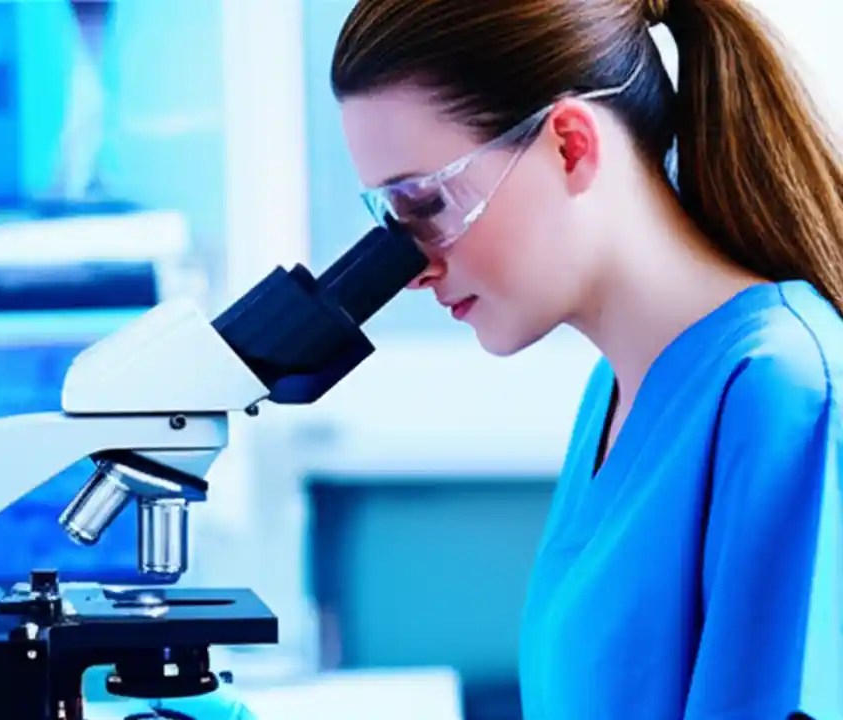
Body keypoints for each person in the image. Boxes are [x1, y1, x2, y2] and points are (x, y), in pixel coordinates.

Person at [331, 0, 843, 718]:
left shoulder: (783, 389)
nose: (413, 270)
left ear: (570, 145)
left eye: (427, 204)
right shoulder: (614, 392)